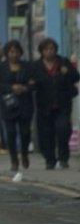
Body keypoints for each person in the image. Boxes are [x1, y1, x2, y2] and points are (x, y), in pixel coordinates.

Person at [33, 38, 80, 169]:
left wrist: (68, 71)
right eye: (46, 49)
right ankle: (50, 159)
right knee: (46, 134)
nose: (49, 52)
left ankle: (63, 158)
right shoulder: (36, 66)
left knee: (63, 130)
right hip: (44, 106)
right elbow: (31, 82)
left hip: (62, 104)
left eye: (52, 49)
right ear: (42, 51)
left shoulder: (63, 62)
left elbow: (76, 77)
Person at [0, 40, 34, 173]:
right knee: (10, 132)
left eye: (16, 51)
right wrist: (11, 88)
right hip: (8, 104)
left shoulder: (27, 66)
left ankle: (24, 153)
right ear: (7, 53)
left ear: (20, 52)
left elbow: (33, 83)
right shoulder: (1, 67)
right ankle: (14, 159)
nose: (14, 55)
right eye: (11, 52)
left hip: (24, 103)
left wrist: (24, 88)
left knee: (25, 132)